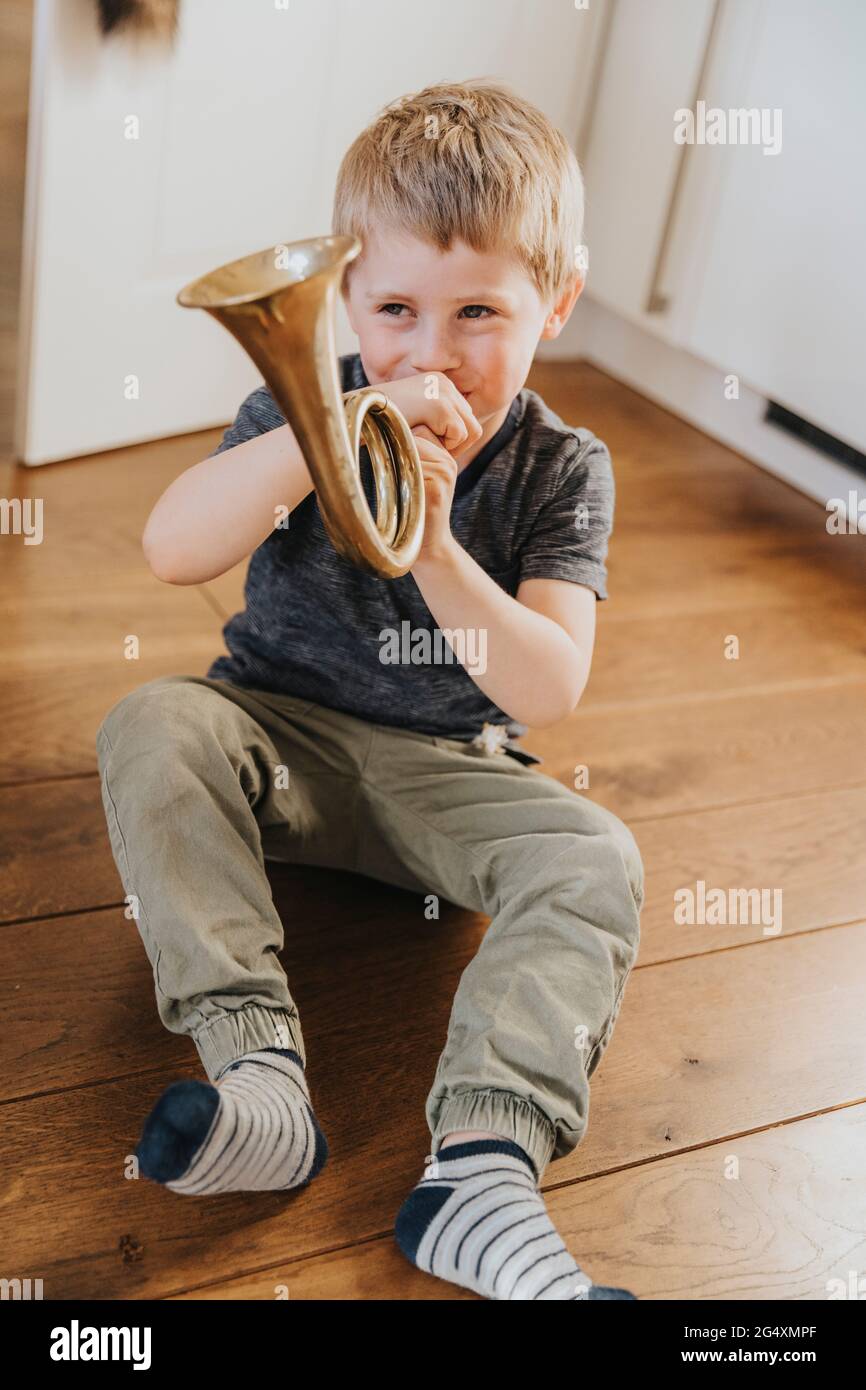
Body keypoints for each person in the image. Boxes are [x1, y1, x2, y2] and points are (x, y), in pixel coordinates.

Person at [96, 79, 644, 1302]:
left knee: (595, 857)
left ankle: (480, 1172)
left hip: (444, 775)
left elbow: (548, 686)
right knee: (150, 720)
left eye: (479, 313)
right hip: (272, 733)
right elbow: (173, 549)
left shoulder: (564, 467)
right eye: (393, 307)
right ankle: (260, 1084)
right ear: (344, 297)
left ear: (553, 303)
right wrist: (322, 435)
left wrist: (438, 546)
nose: (430, 353)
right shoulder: (299, 408)